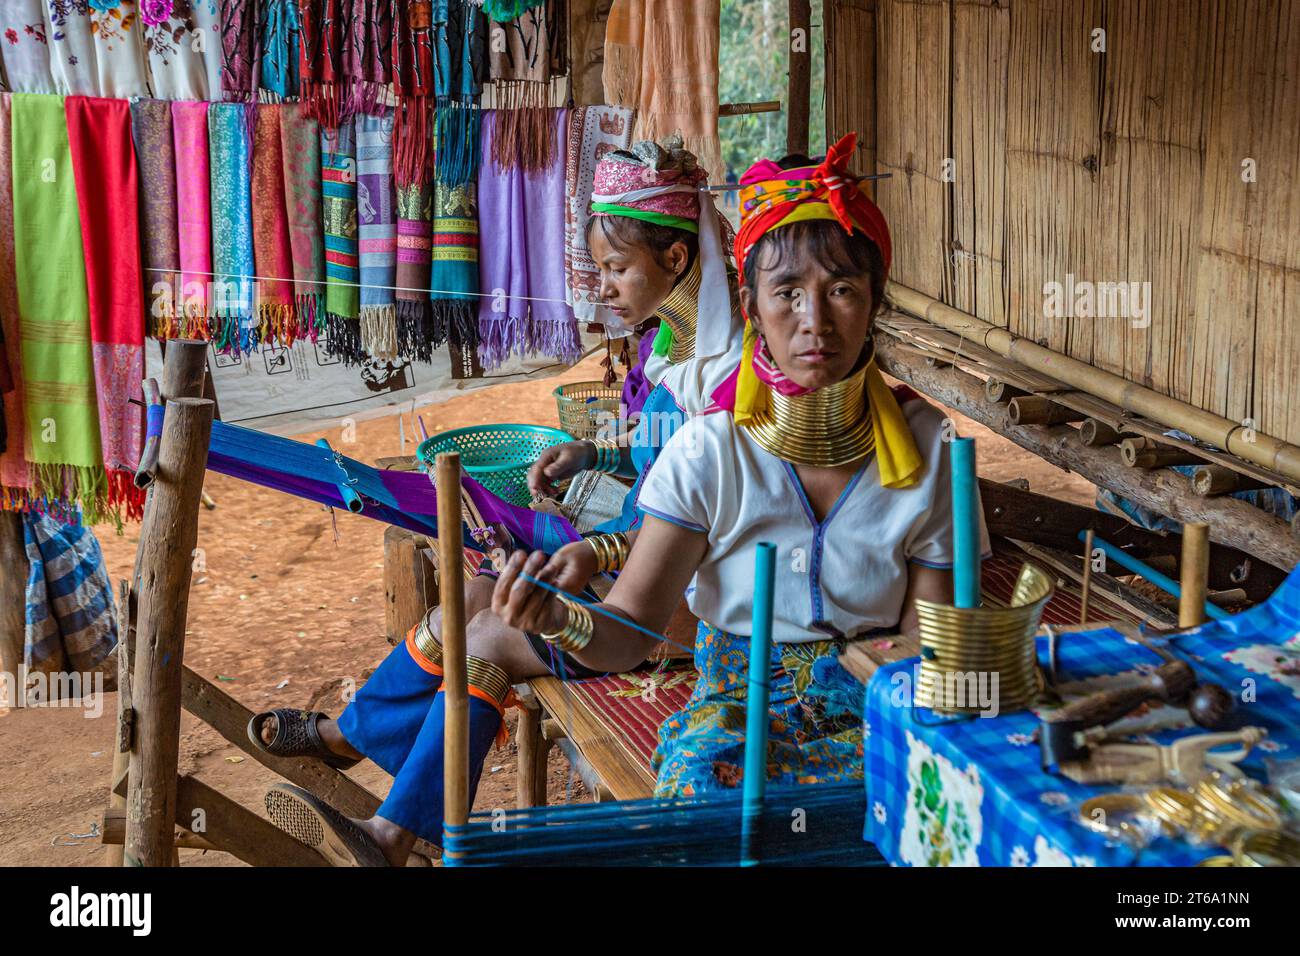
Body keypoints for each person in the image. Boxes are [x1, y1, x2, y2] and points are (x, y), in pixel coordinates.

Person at [252, 138, 744, 866]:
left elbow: (689, 514)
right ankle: (352, 743)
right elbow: (661, 462)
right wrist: (600, 453)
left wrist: (592, 554)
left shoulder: (726, 379)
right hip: (632, 559)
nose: (603, 286)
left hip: (670, 605)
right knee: (480, 589)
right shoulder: (670, 344)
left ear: (675, 261)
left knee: (484, 635)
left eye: (616, 269)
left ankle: (389, 829)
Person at [493, 133, 992, 797]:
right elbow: (631, 633)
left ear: (875, 301)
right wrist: (561, 620)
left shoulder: (930, 447)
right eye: (786, 291)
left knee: (945, 791)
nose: (813, 320)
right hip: (739, 711)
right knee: (713, 790)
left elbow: (929, 639)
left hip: (880, 697)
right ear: (751, 305)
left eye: (841, 287)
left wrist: (908, 708)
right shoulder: (708, 452)